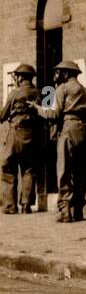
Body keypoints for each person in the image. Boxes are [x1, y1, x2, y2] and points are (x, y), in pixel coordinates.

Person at [33, 61, 86, 222]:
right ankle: (78, 210)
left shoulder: (63, 89)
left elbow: (54, 114)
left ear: (66, 73)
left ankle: (65, 211)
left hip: (69, 129)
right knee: (81, 170)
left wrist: (37, 109)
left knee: (65, 170)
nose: (57, 75)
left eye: (59, 72)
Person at [0, 64, 41, 214]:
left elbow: (3, 115)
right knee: (29, 169)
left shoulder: (15, 93)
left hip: (15, 134)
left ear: (20, 77)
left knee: (8, 168)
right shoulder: (39, 93)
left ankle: (10, 206)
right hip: (33, 136)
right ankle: (26, 205)